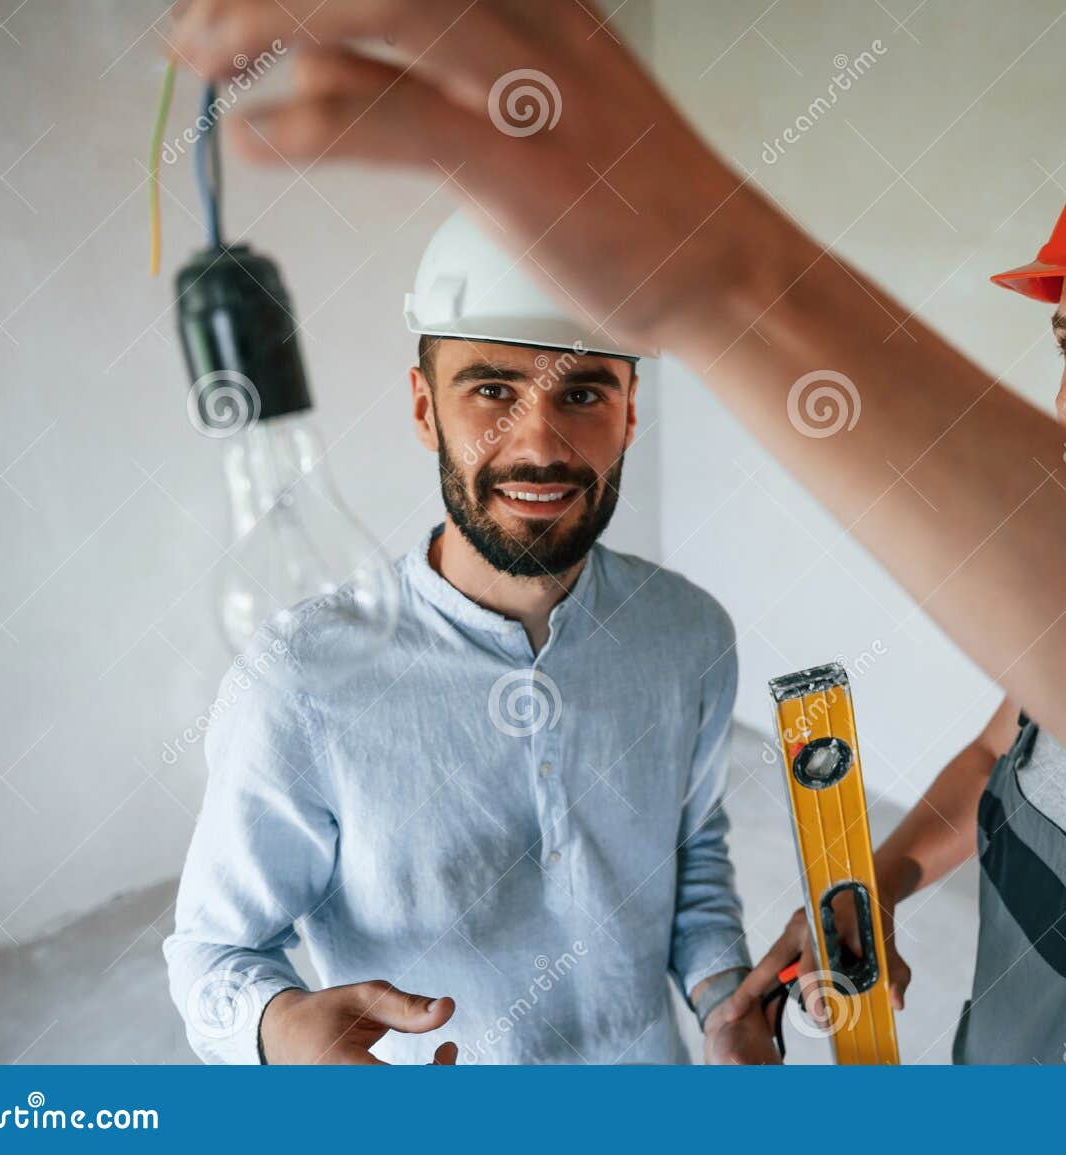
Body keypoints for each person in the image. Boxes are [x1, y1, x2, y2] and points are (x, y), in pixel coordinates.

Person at [166, 2, 1066, 1064]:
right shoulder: (302, 671)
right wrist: (881, 882)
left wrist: (725, 279)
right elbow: (1002, 747)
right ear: (422, 407)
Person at [163, 211, 778, 1065]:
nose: (539, 444)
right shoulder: (299, 679)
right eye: (491, 390)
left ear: (631, 412)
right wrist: (277, 1027)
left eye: (583, 394)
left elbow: (689, 851)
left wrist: (723, 1001)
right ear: (425, 409)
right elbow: (212, 953)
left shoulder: (688, 632)